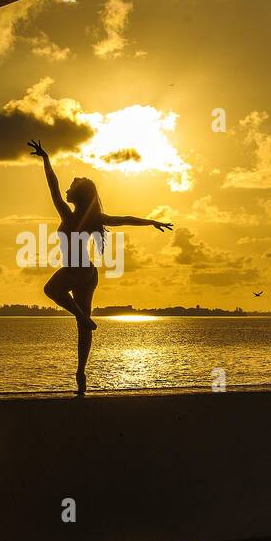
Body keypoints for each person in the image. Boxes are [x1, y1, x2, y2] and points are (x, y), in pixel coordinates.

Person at [27, 139, 173, 394]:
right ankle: (81, 371)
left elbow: (53, 186)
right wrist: (151, 222)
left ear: (79, 195)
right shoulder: (94, 217)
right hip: (89, 272)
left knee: (52, 290)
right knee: (83, 327)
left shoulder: (68, 215)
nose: (66, 190)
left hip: (75, 269)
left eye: (72, 187)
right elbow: (124, 219)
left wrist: (47, 159)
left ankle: (82, 317)